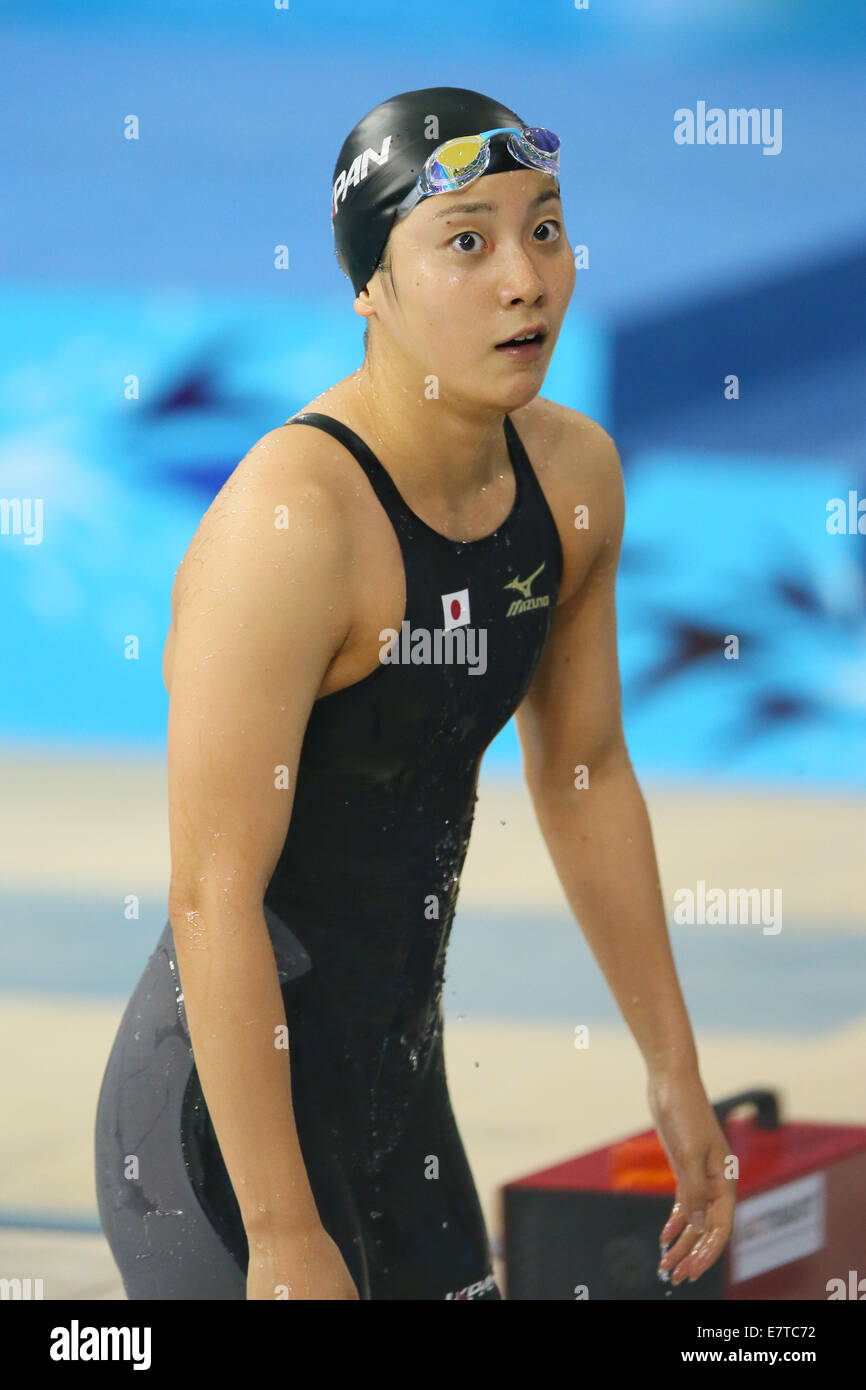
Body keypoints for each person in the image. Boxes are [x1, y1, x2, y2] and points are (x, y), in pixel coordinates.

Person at [94, 85, 735, 1300]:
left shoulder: (572, 477)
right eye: (465, 240)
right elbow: (210, 892)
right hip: (217, 1130)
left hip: (398, 1106)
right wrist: (283, 1239)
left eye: (543, 228)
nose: (523, 279)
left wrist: (671, 1068)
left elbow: (583, 768)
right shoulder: (292, 528)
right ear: (368, 291)